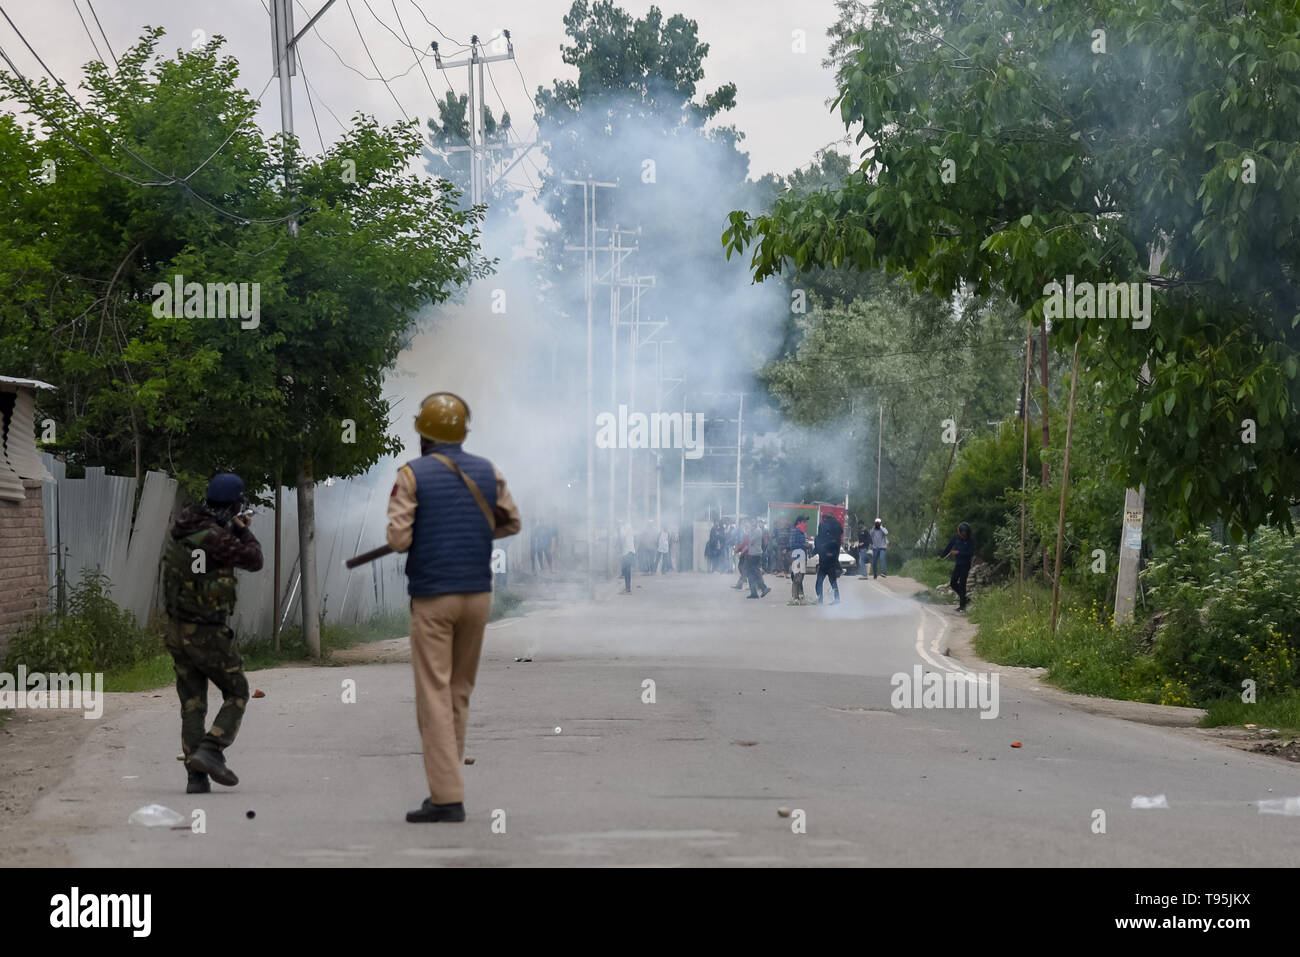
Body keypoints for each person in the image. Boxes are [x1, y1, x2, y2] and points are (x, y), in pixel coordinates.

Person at [387, 392, 521, 823]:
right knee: (459, 692)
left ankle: (446, 797)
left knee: (434, 694)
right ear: (463, 431)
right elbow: (511, 521)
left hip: (433, 596)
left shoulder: (411, 475)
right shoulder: (489, 471)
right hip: (478, 595)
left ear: (423, 432)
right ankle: (448, 785)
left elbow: (398, 539)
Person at [161, 472, 263, 794]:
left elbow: (199, 566)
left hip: (177, 631)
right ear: (233, 505)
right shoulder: (216, 538)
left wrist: (229, 529)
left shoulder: (186, 530)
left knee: (192, 703)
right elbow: (254, 559)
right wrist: (244, 532)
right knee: (237, 692)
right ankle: (213, 748)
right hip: (205, 632)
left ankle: (196, 777)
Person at [939, 521, 975, 612]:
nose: (962, 534)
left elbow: (970, 553)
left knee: (962, 584)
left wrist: (958, 552)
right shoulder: (956, 537)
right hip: (958, 564)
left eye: (964, 533)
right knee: (953, 583)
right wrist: (941, 556)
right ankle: (965, 599)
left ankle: (962, 606)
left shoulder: (970, 540)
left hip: (966, 565)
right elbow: (949, 547)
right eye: (961, 533)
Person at [814, 512, 843, 604]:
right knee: (831, 581)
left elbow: (821, 545)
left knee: (821, 582)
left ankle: (821, 599)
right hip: (829, 561)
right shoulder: (836, 529)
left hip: (826, 562)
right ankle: (834, 599)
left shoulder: (826, 531)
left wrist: (828, 552)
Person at [740, 520, 771, 598]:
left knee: (755, 572)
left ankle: (763, 588)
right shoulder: (753, 530)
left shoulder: (757, 531)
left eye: (752, 522)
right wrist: (742, 551)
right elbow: (748, 544)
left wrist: (748, 532)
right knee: (751, 574)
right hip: (752, 554)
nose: (750, 524)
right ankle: (754, 593)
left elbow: (751, 541)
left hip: (755, 555)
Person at [619, 521, 636, 593]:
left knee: (627, 571)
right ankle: (627, 588)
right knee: (626, 571)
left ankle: (628, 588)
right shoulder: (626, 527)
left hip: (628, 552)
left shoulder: (627, 526)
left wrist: (620, 527)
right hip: (626, 552)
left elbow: (622, 535)